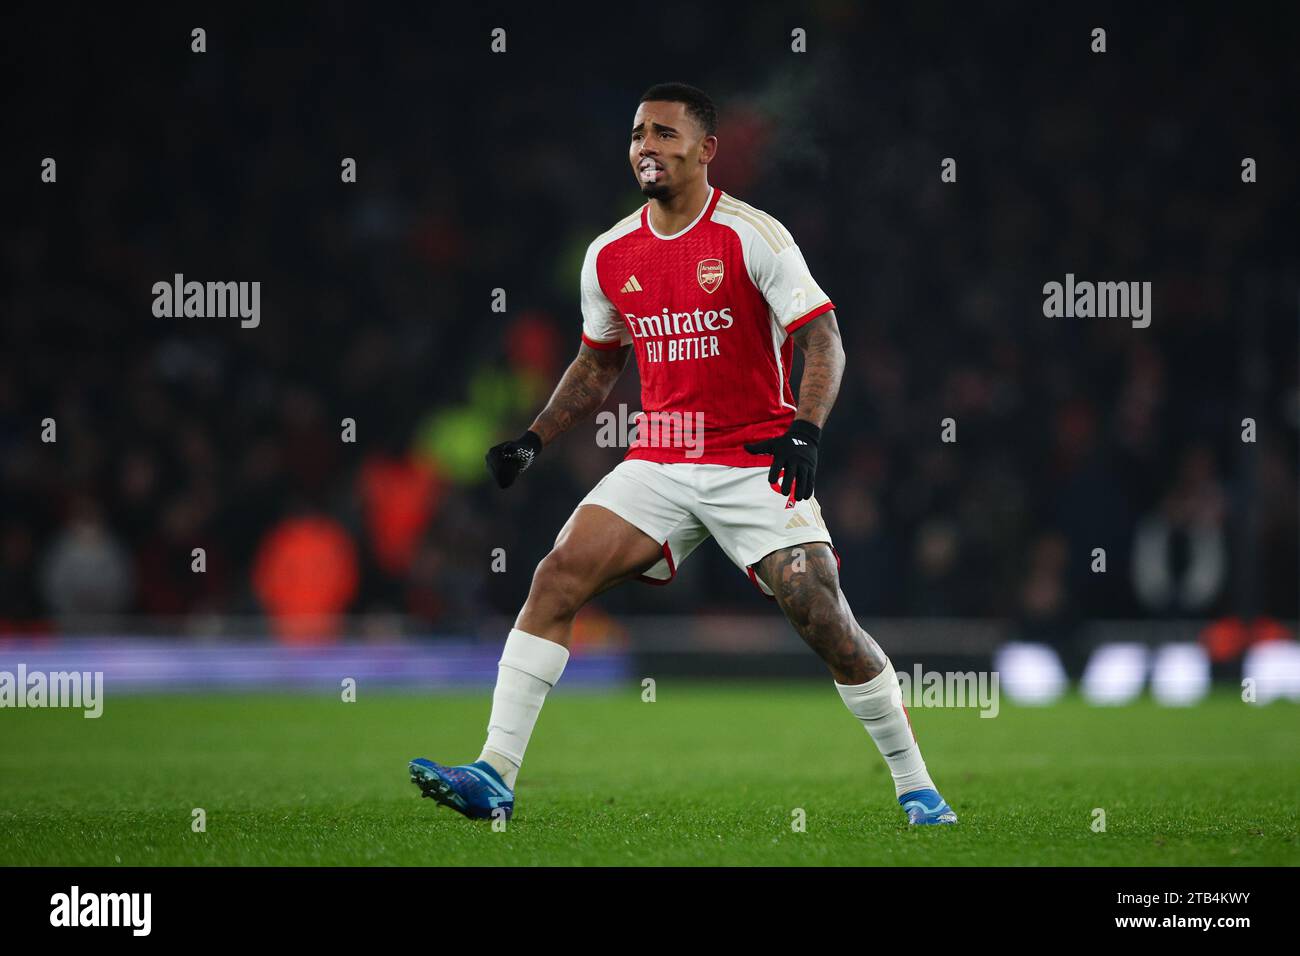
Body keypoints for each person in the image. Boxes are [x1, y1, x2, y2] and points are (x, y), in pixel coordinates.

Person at [410, 82, 956, 826]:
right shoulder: (609, 255)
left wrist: (806, 429)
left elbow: (822, 338)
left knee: (820, 612)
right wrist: (535, 438)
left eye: (666, 133)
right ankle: (494, 771)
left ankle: (917, 786)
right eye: (639, 134)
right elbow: (598, 364)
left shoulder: (752, 235)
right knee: (557, 574)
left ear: (707, 149)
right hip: (661, 460)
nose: (647, 146)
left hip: (754, 458)